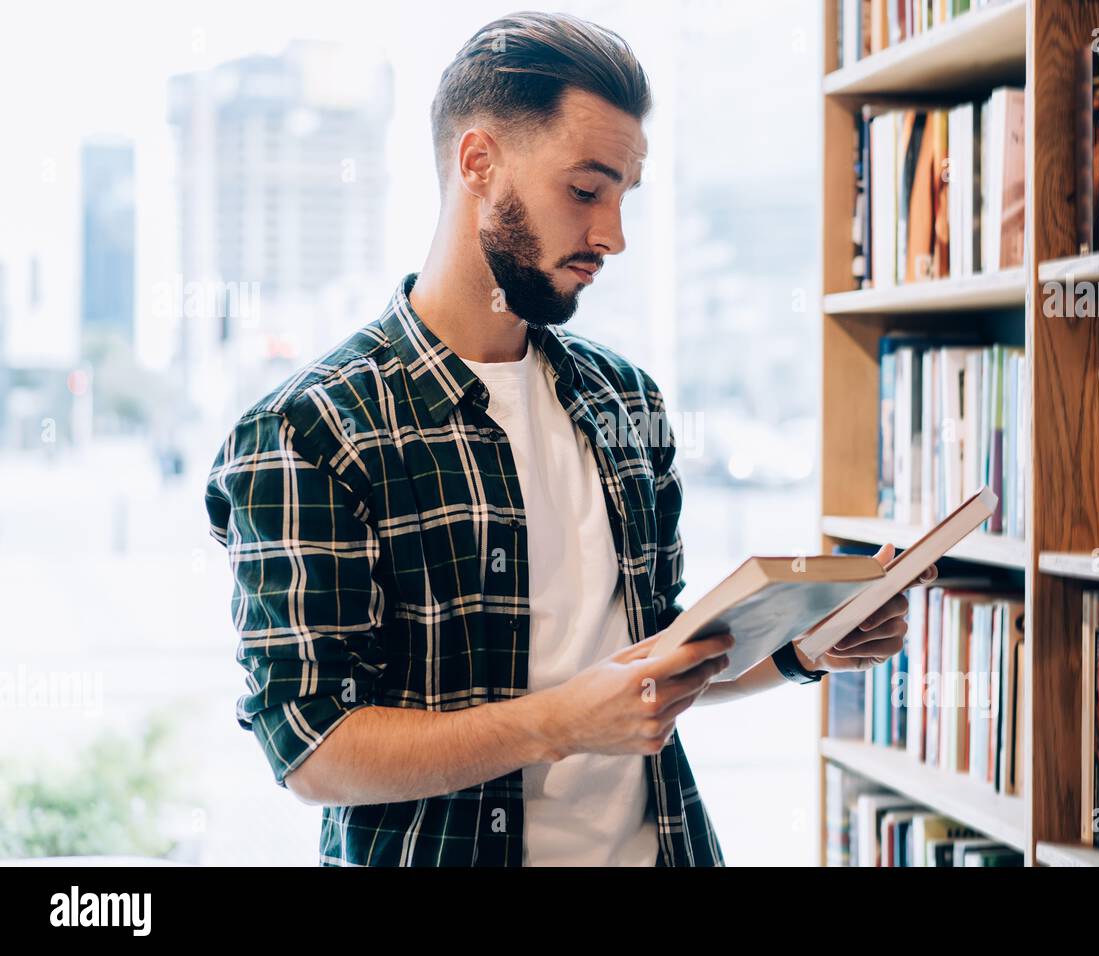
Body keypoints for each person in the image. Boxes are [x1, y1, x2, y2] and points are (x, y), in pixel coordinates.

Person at [203, 10, 923, 867]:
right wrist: (561, 721)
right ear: (478, 162)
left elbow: (660, 660)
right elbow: (314, 751)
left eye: (623, 196)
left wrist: (804, 648)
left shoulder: (625, 398)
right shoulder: (310, 432)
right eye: (586, 191)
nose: (613, 235)